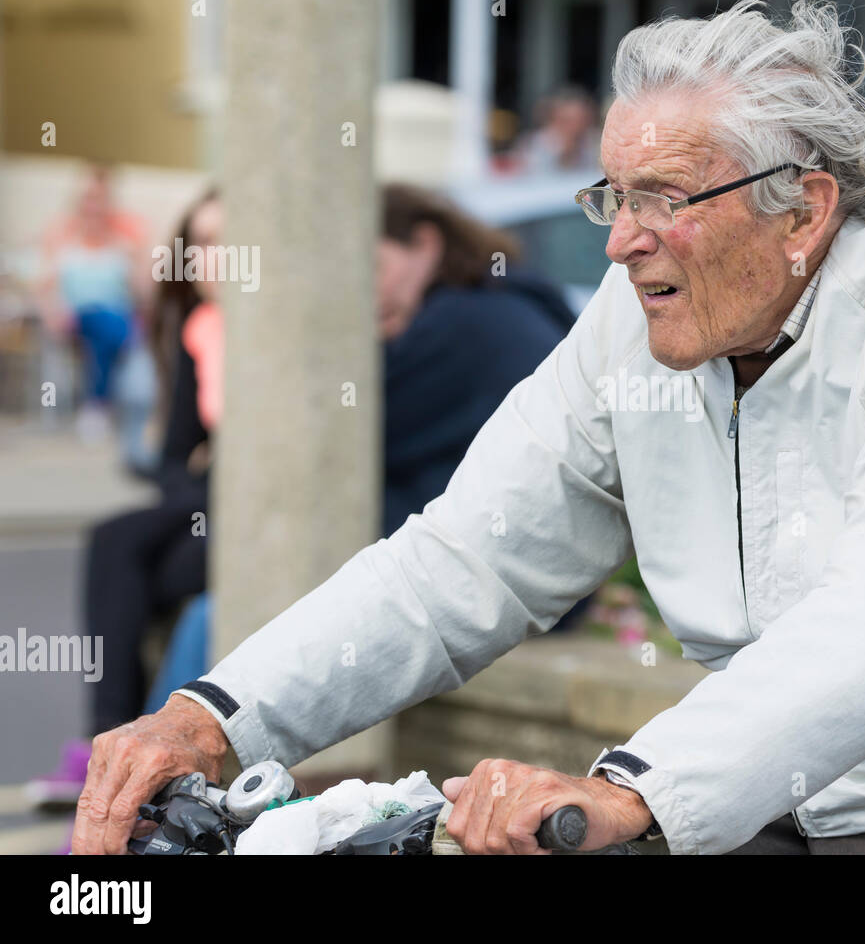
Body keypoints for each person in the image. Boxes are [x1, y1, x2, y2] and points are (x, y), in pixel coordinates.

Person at [74, 0, 865, 856]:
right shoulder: (645, 309)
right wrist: (216, 716)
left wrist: (635, 788)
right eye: (613, 196)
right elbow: (465, 555)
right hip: (786, 785)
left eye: (662, 196)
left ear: (801, 209)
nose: (620, 241)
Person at [29, 185, 572, 808]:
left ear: (424, 246)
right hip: (437, 550)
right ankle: (136, 779)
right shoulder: (468, 313)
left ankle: (141, 789)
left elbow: (322, 448)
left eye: (368, 268)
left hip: (464, 566)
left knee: (206, 597)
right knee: (148, 559)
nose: (356, 290)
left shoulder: (464, 323)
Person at [35, 164, 149, 443]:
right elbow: (42, 287)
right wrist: (52, 312)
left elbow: (145, 292)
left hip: (117, 317)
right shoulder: (61, 239)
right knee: (104, 323)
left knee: (107, 329)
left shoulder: (124, 241)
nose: (93, 206)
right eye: (89, 198)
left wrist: (134, 259)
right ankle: (100, 404)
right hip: (76, 318)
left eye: (100, 199)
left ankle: (96, 405)